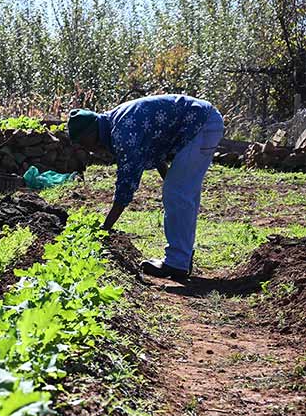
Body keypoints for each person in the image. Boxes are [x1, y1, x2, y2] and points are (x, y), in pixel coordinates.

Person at [67, 94, 225, 280]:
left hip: (200, 124)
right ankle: (182, 257)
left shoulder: (123, 132)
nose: (88, 149)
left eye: (84, 142)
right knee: (179, 193)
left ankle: (177, 263)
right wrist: (170, 181)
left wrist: (104, 229)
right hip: (202, 121)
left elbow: (126, 184)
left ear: (90, 132)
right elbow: (155, 148)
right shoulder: (114, 121)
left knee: (178, 193)